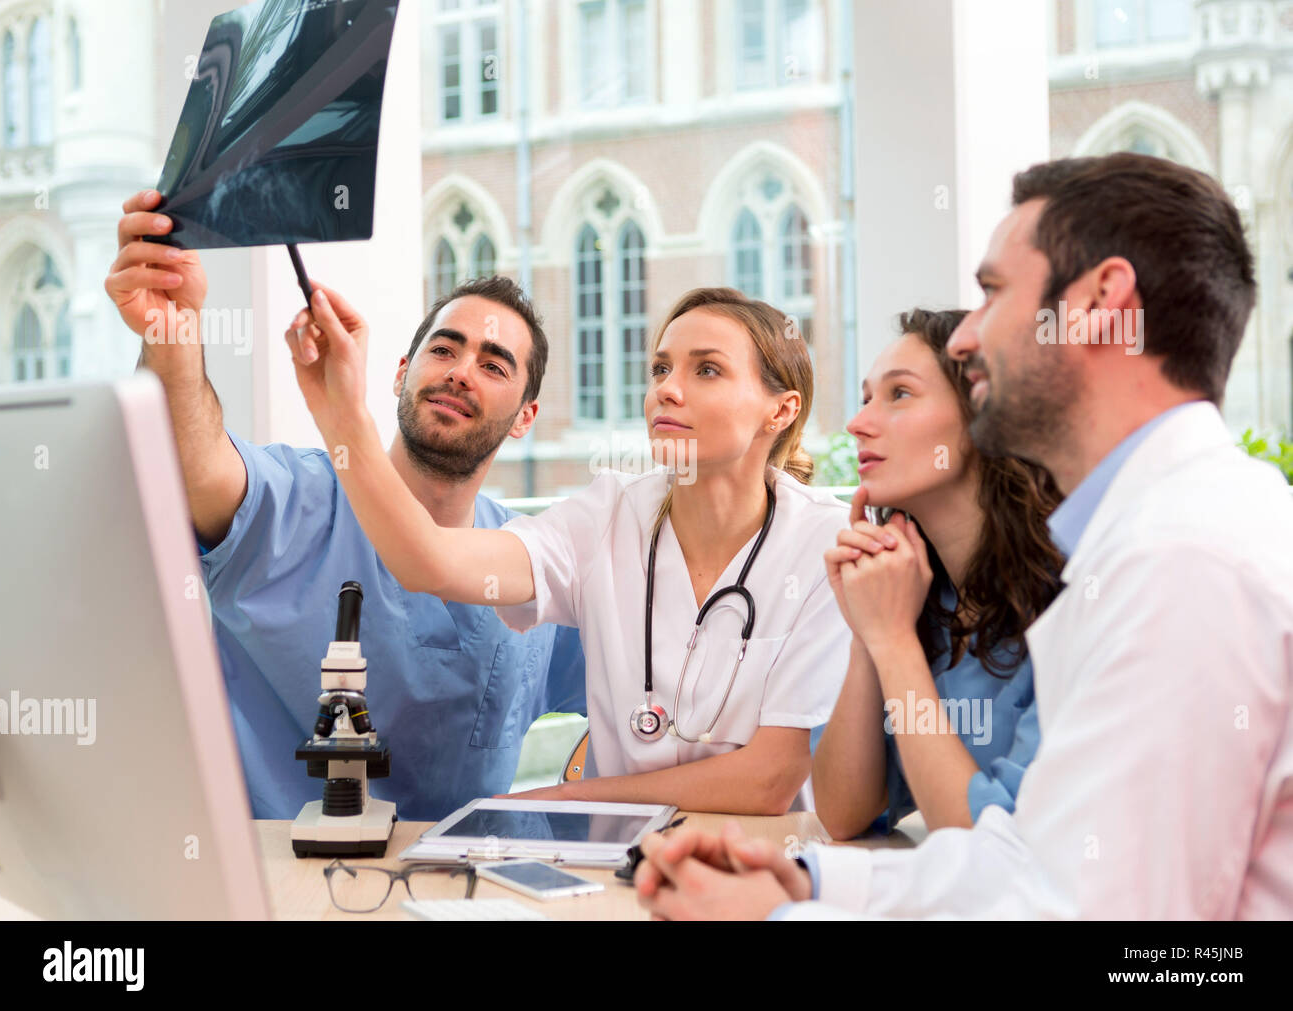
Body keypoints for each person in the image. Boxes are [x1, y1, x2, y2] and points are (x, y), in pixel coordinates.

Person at [634, 152, 1293, 919]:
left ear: (1099, 303)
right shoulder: (1144, 541)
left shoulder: (1185, 561)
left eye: (993, 293)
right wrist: (804, 882)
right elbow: (1030, 855)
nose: (967, 337)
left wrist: (776, 918)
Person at [104, 189, 586, 820]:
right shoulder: (295, 501)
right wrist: (172, 330)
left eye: (493, 365)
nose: (461, 371)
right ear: (400, 374)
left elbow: (640, 695)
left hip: (452, 896)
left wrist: (576, 806)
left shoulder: (528, 563)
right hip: (284, 891)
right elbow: (190, 460)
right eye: (444, 349)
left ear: (526, 418)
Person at [285, 285, 852, 814]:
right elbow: (429, 562)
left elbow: (770, 779)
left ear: (780, 411)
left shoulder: (822, 543)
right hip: (620, 867)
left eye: (706, 370)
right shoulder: (605, 516)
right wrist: (344, 417)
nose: (666, 390)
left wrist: (550, 804)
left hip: (757, 871)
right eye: (660, 368)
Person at [813, 308, 1063, 839]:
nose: (858, 423)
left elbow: (991, 841)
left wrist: (895, 642)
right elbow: (842, 812)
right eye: (864, 399)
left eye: (899, 394)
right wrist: (870, 634)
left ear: (983, 417)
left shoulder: (1068, 591)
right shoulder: (923, 593)